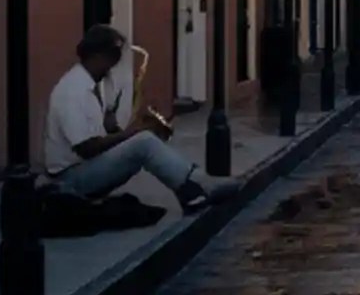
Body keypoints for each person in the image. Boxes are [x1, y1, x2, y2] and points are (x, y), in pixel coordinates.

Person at [44, 25, 235, 213]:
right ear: (98, 56)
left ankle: (191, 190)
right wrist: (133, 132)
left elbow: (98, 142)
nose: (114, 66)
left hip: (84, 169)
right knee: (143, 143)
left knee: (144, 141)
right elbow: (86, 149)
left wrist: (114, 128)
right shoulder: (73, 91)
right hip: (69, 180)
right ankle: (197, 185)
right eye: (114, 57)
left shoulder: (90, 86)